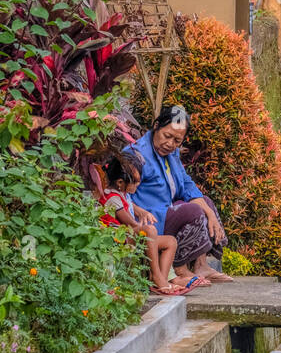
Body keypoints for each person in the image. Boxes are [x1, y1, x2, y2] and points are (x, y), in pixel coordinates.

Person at [124, 104, 233, 286]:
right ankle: (180, 268)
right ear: (156, 125)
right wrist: (138, 210)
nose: (170, 144)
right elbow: (119, 192)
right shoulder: (136, 154)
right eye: (167, 136)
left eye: (177, 140)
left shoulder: (172, 153)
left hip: (166, 210)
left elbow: (187, 185)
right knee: (193, 212)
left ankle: (201, 265)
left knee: (205, 203)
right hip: (150, 217)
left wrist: (211, 213)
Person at [93, 149, 199, 296]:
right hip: (116, 238)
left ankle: (159, 278)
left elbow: (132, 215)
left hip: (127, 236)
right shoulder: (112, 198)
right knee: (149, 231)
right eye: (135, 182)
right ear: (120, 182)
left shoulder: (122, 195)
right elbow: (130, 224)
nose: (138, 185)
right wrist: (147, 230)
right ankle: (157, 277)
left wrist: (142, 216)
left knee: (170, 241)